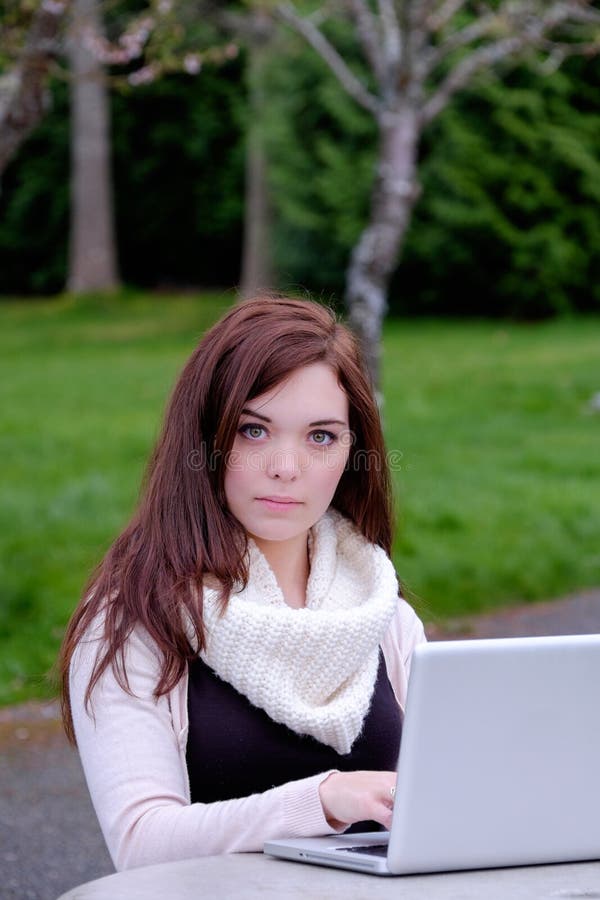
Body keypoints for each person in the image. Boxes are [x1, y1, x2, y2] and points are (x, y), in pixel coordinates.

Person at [59, 295, 426, 871]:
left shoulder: (381, 612)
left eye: (321, 436)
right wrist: (322, 801)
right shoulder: (136, 618)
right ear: (205, 440)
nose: (286, 466)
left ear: (353, 451)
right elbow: (140, 842)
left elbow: (441, 806)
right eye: (254, 430)